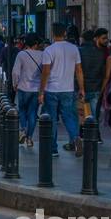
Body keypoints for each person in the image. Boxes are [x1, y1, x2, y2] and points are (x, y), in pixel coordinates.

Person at [37, 22, 84, 157]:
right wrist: (82, 88)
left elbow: (45, 72)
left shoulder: (49, 50)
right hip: (68, 89)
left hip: (52, 89)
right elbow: (79, 70)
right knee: (69, 116)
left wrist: (41, 91)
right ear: (65, 33)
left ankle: (53, 149)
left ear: (53, 34)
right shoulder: (74, 49)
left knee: (51, 119)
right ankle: (75, 138)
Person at [11, 33, 46, 148]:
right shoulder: (43, 55)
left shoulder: (21, 54)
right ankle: (30, 138)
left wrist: (15, 84)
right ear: (36, 43)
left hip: (23, 87)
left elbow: (15, 72)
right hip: (36, 89)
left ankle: (23, 130)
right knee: (32, 113)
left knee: (22, 110)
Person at [79, 28, 109, 143]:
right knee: (94, 113)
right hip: (96, 86)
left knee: (81, 113)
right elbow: (103, 71)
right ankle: (96, 136)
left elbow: (78, 70)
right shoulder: (101, 53)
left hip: (82, 87)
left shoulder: (79, 51)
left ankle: (81, 134)